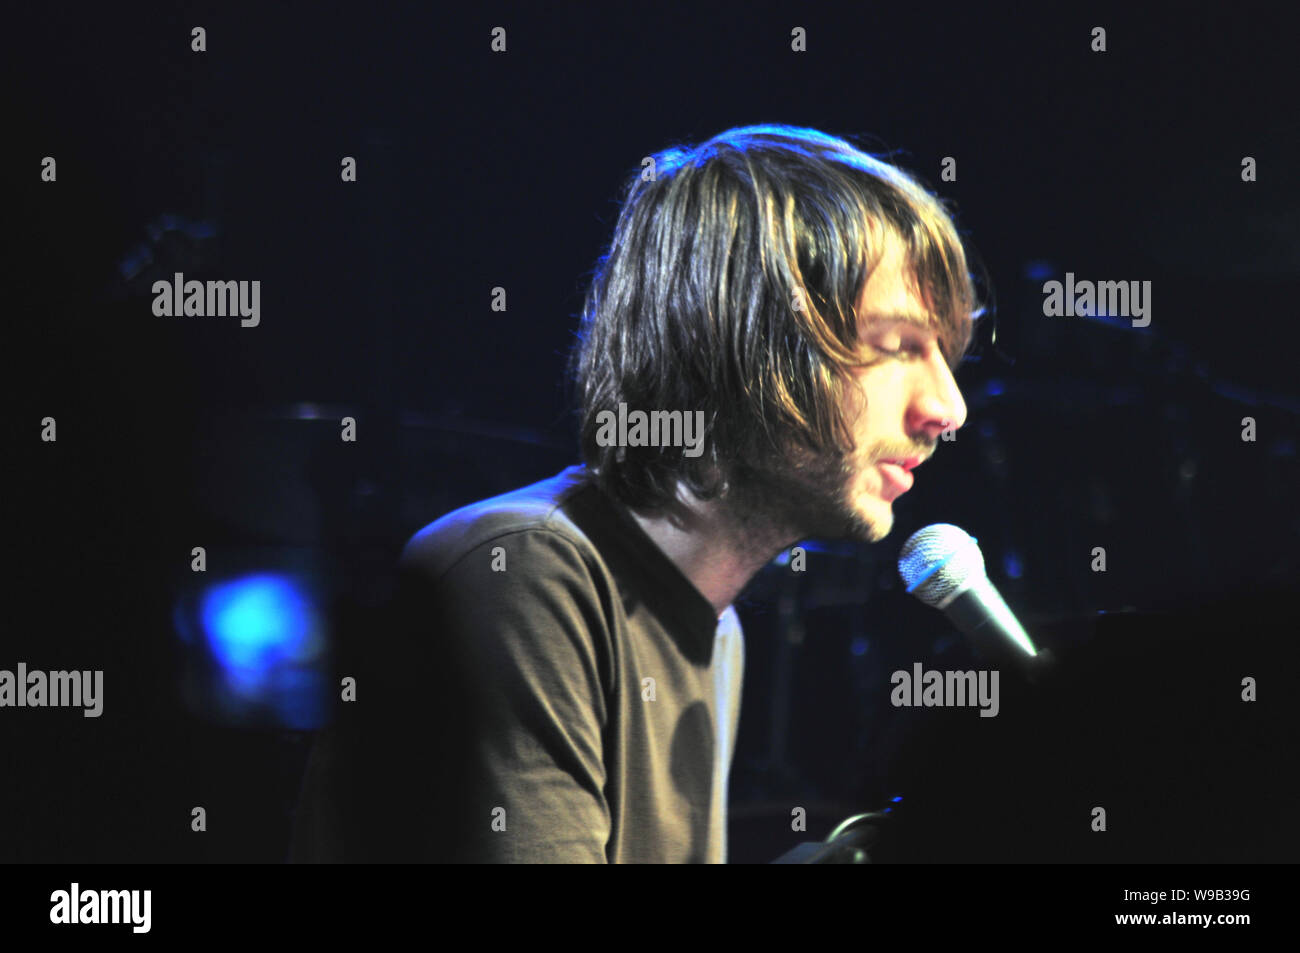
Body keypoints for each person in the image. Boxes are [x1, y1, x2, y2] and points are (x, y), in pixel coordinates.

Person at [289, 123, 982, 863]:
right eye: (899, 346)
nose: (948, 407)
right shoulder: (526, 574)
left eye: (945, 352)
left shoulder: (719, 632)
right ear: (745, 343)